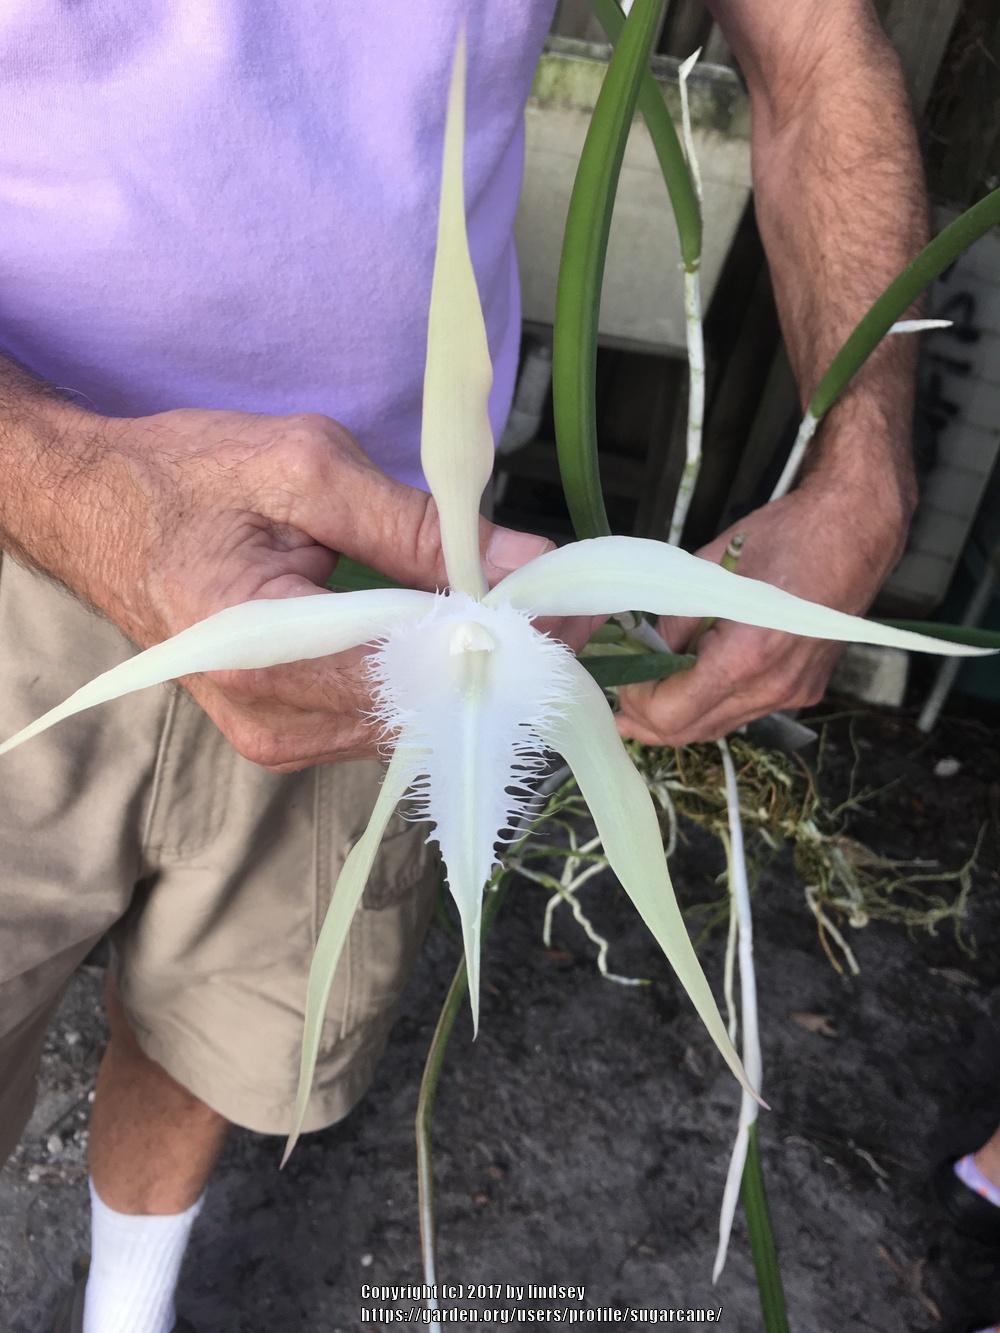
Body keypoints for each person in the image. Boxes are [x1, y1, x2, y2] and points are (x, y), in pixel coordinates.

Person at [0, 3, 925, 1330]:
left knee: (232, 1014)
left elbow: (815, 37)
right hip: (23, 526)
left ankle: (125, 1310)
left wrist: (864, 460)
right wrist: (67, 483)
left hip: (393, 586)